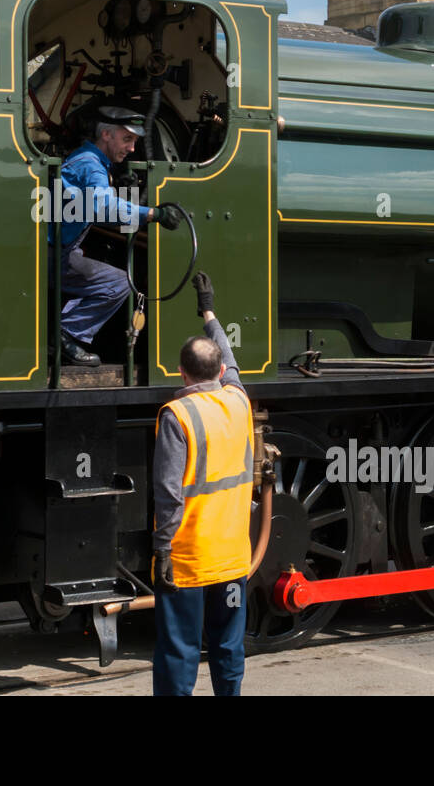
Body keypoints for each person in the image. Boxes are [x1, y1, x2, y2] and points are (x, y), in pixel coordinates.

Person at [151, 270, 254, 696]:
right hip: (232, 556)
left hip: (190, 561)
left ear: (181, 372)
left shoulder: (177, 416)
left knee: (180, 650)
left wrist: (161, 550)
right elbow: (227, 356)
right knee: (228, 645)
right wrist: (209, 310)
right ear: (220, 370)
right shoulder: (238, 399)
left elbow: (170, 493)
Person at [55, 106, 179, 367]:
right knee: (119, 283)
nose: (132, 149)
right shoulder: (91, 166)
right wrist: (153, 213)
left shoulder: (87, 159)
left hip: (61, 248)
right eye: (127, 139)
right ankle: (65, 334)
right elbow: (104, 208)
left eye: (134, 141)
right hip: (52, 254)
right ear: (106, 135)